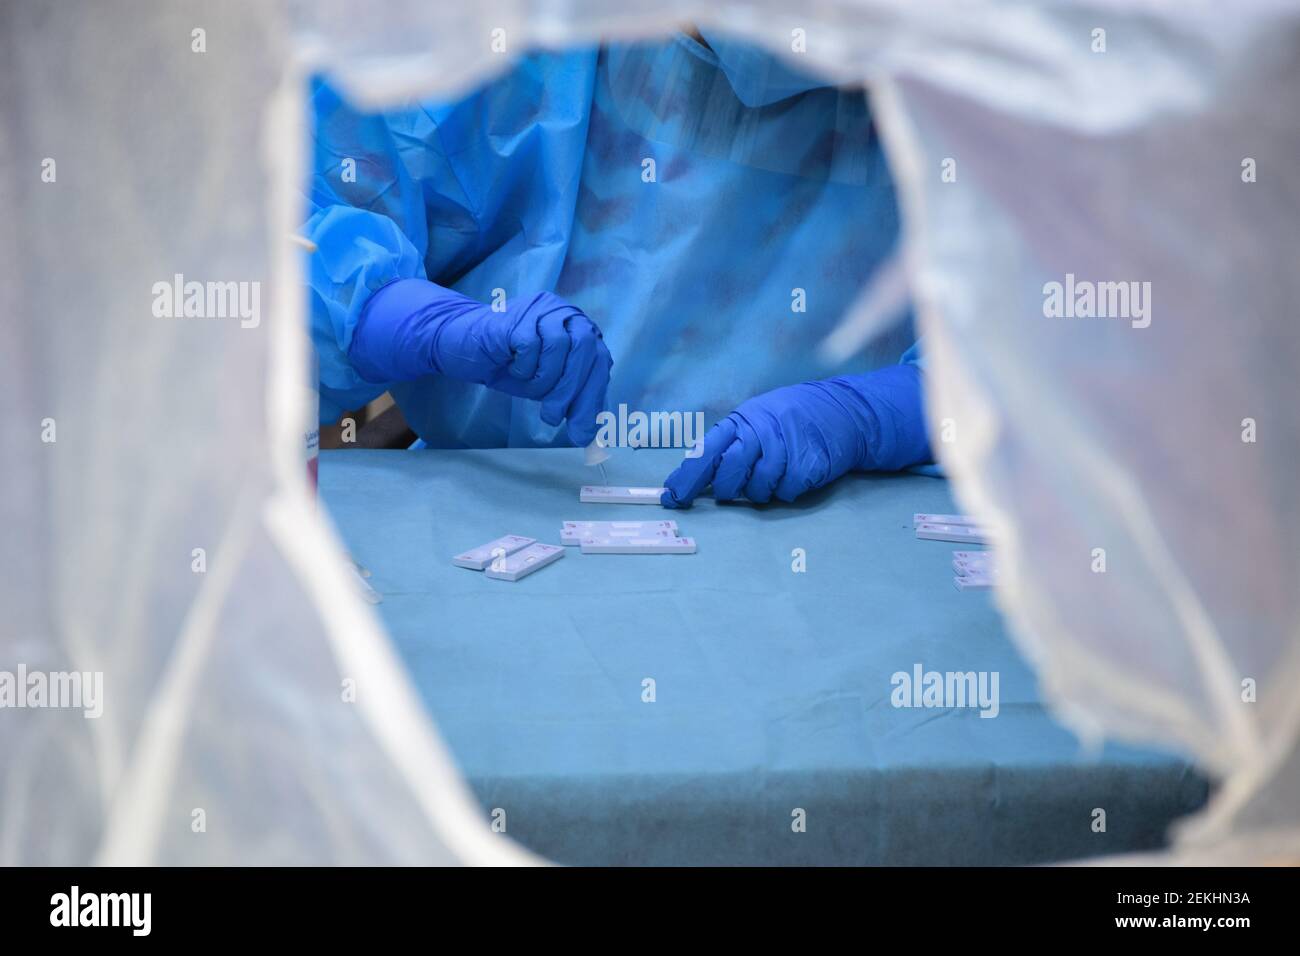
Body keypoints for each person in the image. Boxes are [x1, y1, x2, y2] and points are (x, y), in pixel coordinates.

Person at [305, 29, 933, 507]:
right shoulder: (518, 42)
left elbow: (1027, 341)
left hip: (856, 549)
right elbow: (281, 232)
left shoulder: (978, 74)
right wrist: (414, 321)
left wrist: (883, 414)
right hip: (510, 511)